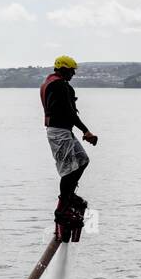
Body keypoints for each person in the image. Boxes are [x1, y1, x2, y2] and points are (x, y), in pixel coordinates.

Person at [40, 55, 98, 207]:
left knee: (82, 160)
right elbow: (70, 113)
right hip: (59, 133)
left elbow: (68, 112)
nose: (73, 74)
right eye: (72, 71)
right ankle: (63, 205)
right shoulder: (60, 85)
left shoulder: (50, 83)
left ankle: (70, 195)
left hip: (65, 131)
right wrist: (86, 131)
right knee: (68, 171)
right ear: (64, 69)